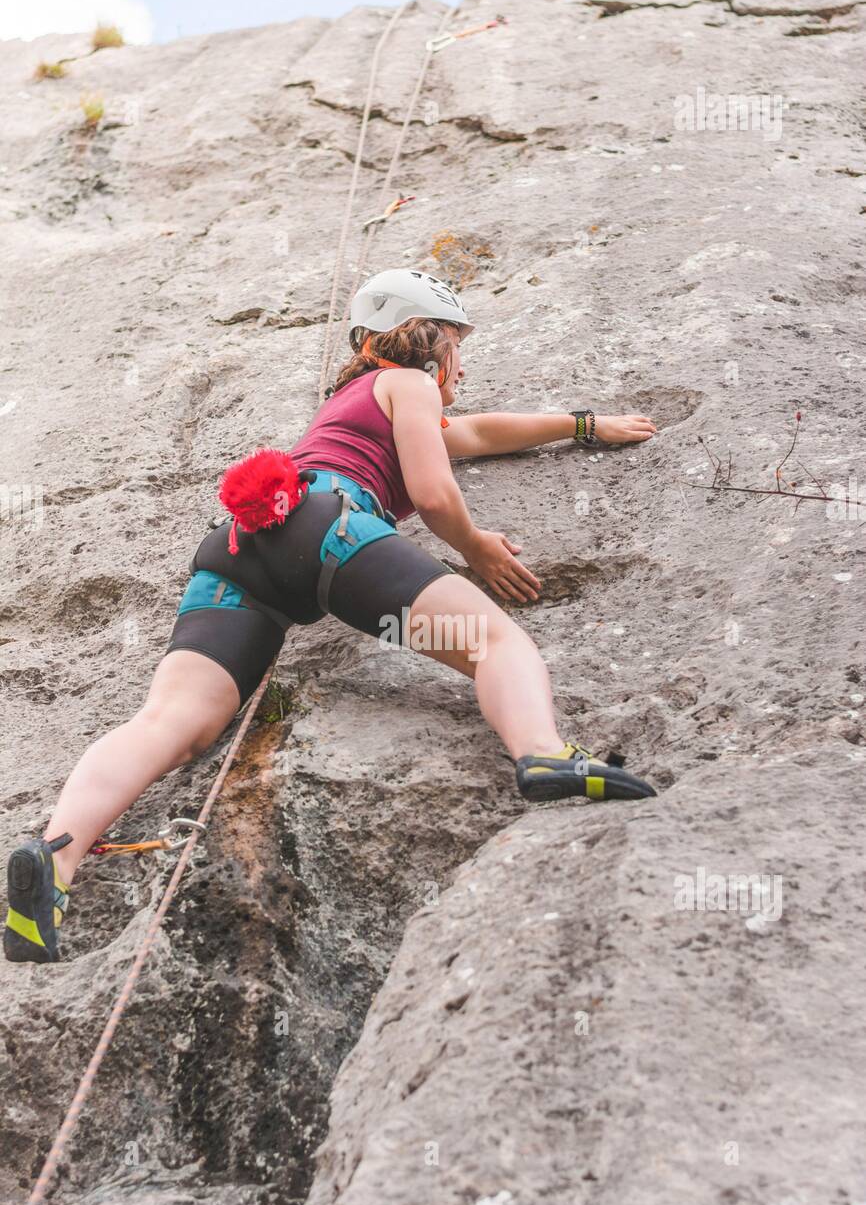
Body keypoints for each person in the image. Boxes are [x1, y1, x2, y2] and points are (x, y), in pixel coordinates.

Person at [5, 269, 658, 965]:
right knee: (494, 641)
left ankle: (55, 860)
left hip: (242, 551)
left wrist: (583, 424)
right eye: (458, 350)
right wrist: (476, 549)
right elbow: (435, 492)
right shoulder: (407, 380)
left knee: (170, 723)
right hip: (334, 534)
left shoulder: (356, 402)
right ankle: (544, 754)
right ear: (429, 340)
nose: (461, 369)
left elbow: (475, 434)